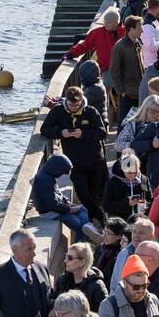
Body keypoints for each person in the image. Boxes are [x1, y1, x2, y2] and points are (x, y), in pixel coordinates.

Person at [40, 86, 107, 222]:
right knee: (83, 193)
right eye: (70, 105)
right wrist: (60, 133)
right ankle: (101, 218)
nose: (73, 108)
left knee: (94, 194)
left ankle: (91, 223)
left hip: (95, 160)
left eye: (76, 105)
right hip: (75, 162)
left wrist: (83, 134)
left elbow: (102, 133)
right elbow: (45, 129)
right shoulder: (58, 111)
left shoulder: (91, 111)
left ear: (81, 100)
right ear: (66, 101)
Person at [30, 154, 101, 242]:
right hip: (50, 212)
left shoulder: (47, 174)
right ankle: (79, 248)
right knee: (79, 228)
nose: (61, 175)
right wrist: (68, 210)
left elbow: (57, 193)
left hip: (56, 209)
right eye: (62, 172)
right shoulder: (45, 180)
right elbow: (52, 205)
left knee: (82, 209)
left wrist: (67, 202)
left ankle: (88, 226)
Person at [109, 16, 145, 119]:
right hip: (128, 94)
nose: (142, 30)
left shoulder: (138, 43)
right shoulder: (120, 46)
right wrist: (122, 91)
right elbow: (113, 72)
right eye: (139, 28)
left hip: (139, 92)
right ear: (131, 29)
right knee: (124, 123)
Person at [102, 148, 151, 223]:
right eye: (130, 173)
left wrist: (146, 206)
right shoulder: (113, 183)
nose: (134, 175)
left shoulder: (144, 179)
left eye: (136, 171)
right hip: (121, 223)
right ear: (122, 169)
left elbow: (150, 199)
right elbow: (106, 207)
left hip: (140, 222)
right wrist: (126, 203)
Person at [58, 241, 109, 313]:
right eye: (66, 256)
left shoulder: (97, 286)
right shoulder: (62, 280)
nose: (65, 260)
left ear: (82, 262)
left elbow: (104, 314)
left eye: (69, 258)